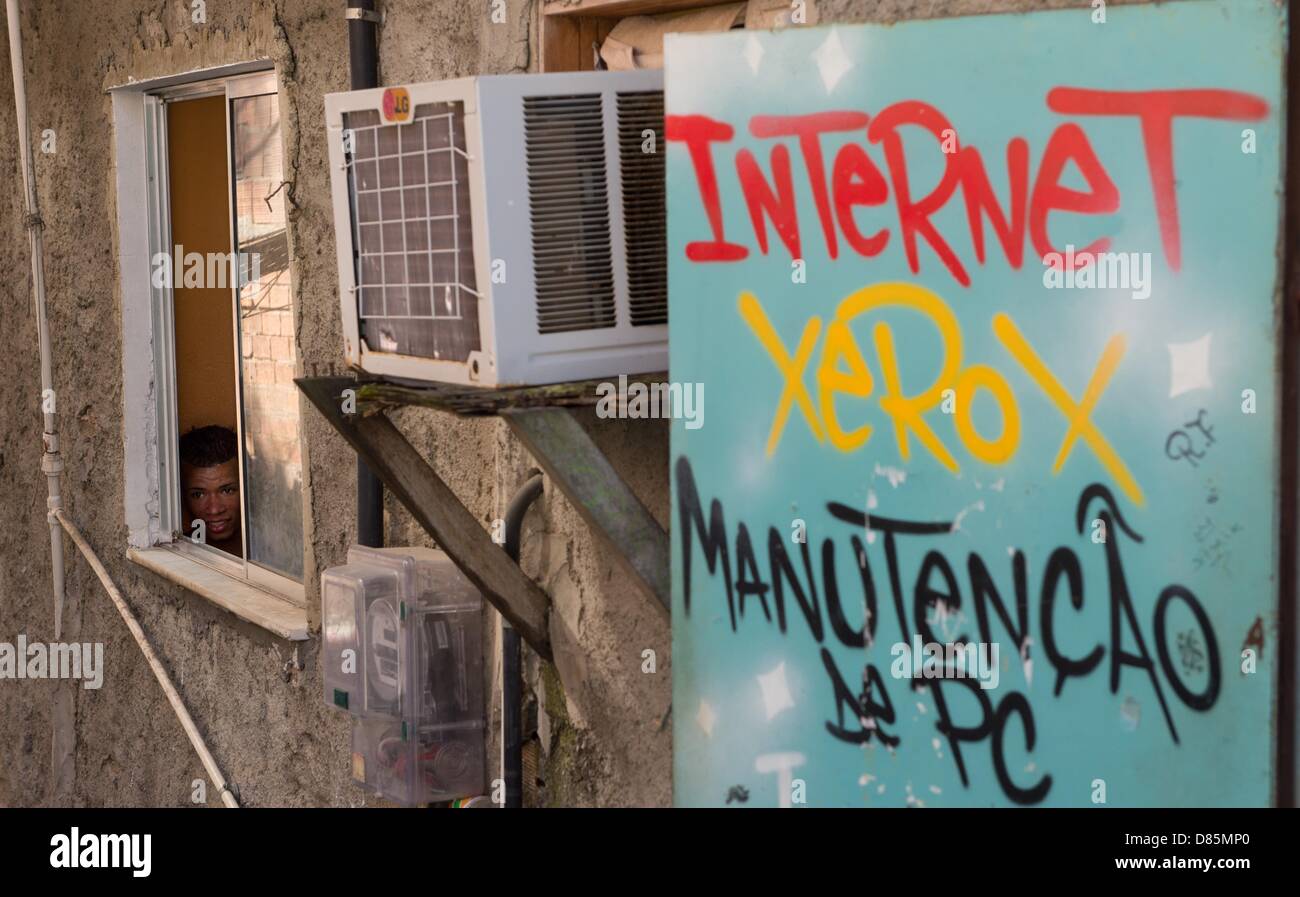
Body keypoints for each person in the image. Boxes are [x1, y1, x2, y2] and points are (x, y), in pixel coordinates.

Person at [179, 425, 242, 557]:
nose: (214, 509)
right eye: (198, 494)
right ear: (183, 496)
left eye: (227, 490)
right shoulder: (176, 554)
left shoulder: (276, 551)